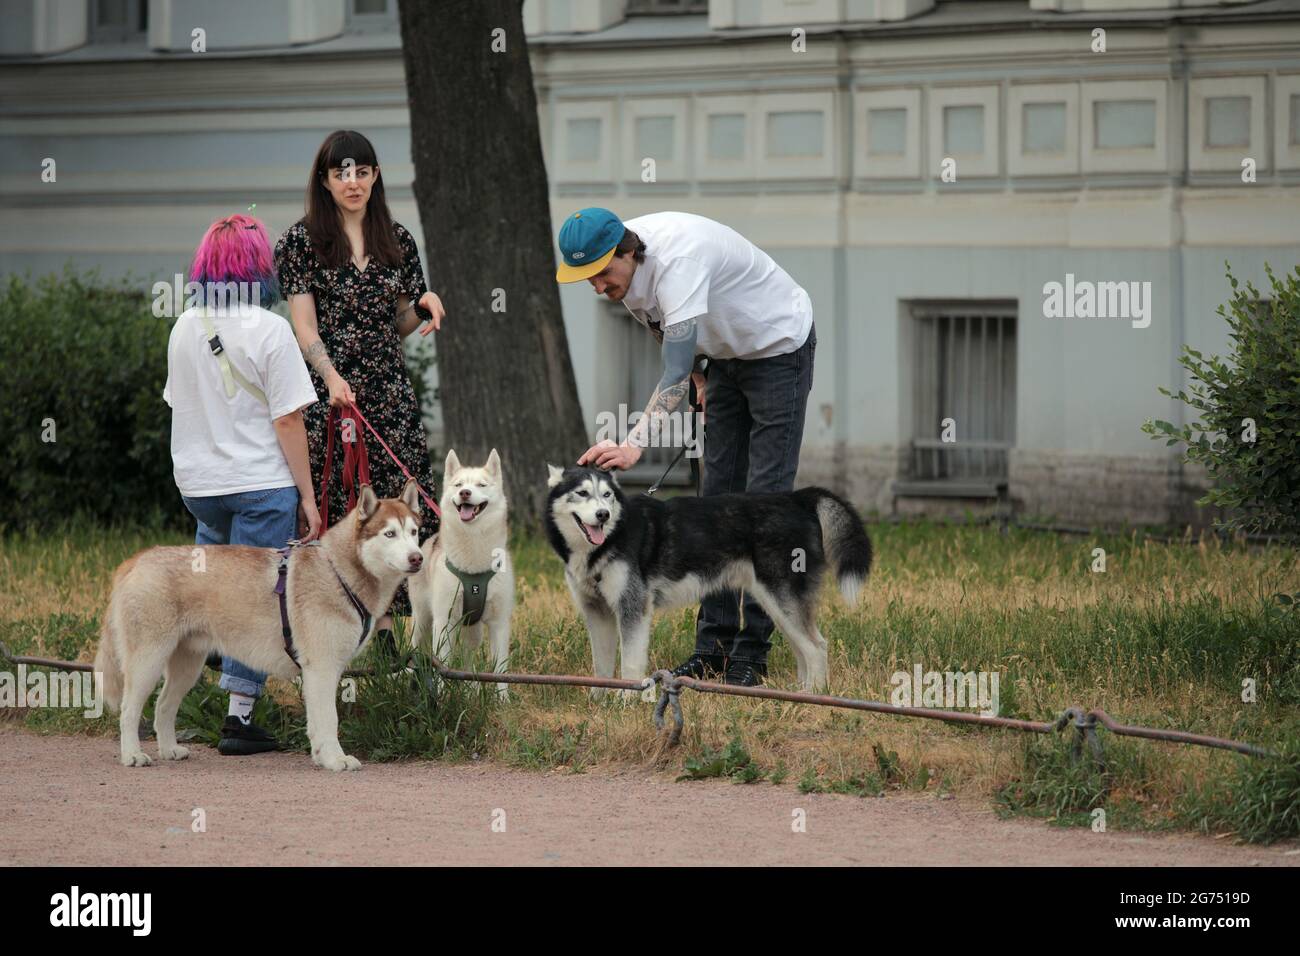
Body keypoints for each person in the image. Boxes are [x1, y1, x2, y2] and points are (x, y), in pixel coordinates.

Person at [556, 208, 816, 687]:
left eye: (600, 274)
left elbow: (669, 373)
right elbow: (667, 335)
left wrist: (634, 445)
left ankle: (751, 657)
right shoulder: (623, 269)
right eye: (585, 278)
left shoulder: (680, 262)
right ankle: (713, 648)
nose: (596, 287)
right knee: (713, 505)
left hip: (778, 347)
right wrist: (700, 374)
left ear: (628, 251)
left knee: (765, 508)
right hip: (724, 359)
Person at [275, 129, 445, 638]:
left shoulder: (398, 240)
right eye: (341, 173)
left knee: (402, 504)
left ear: (375, 176)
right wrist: (330, 376)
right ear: (325, 181)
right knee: (343, 505)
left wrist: (422, 305)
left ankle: (399, 634)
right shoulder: (299, 242)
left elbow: (397, 324)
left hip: (388, 393)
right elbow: (304, 326)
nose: (353, 182)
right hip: (332, 394)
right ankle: (333, 625)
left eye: (362, 171)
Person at [163, 213, 321, 755]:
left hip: (201, 486)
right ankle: (239, 717)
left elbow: (177, 404)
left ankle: (174, 698)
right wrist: (306, 495)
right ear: (260, 268)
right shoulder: (271, 328)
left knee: (210, 590)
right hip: (259, 481)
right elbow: (288, 420)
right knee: (256, 597)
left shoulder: (185, 325)